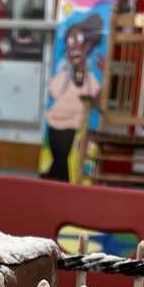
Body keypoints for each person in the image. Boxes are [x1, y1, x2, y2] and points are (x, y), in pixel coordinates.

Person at [43, 14, 103, 181]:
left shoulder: (90, 78)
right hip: (56, 120)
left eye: (79, 40)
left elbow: (98, 102)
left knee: (63, 155)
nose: (74, 47)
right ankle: (57, 176)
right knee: (59, 153)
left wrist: (104, 73)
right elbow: (53, 92)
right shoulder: (64, 74)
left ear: (89, 46)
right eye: (70, 42)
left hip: (74, 123)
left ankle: (59, 178)